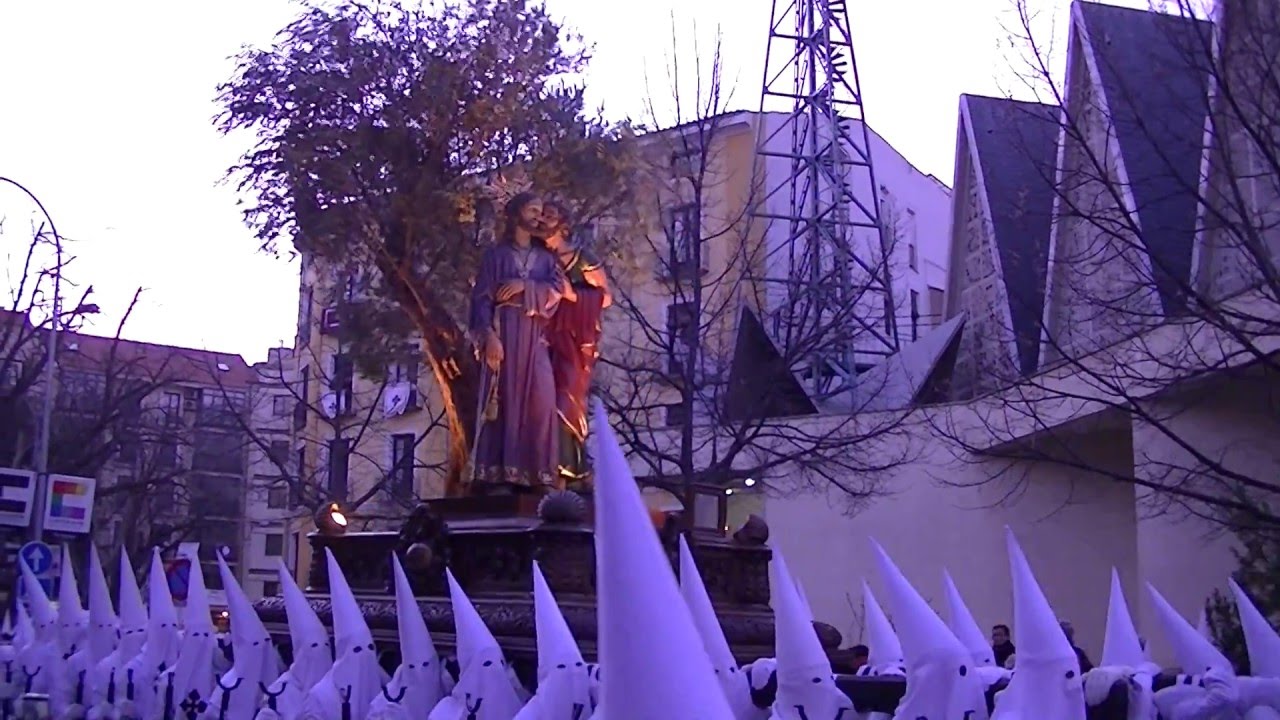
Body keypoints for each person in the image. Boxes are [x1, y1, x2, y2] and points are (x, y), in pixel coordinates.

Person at [468, 192, 566, 492]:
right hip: (505, 333)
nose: (538, 216)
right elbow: (481, 299)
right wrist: (488, 336)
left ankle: (537, 475)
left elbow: (558, 290)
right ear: (516, 214)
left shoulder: (547, 260)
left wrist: (525, 286)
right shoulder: (495, 257)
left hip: (534, 335)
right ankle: (501, 476)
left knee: (542, 400)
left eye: (540, 211)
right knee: (503, 401)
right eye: (532, 209)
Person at [540, 200, 611, 488]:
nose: (543, 221)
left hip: (575, 340)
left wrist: (572, 296)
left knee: (566, 398)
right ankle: (544, 462)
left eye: (550, 216)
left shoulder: (582, 258)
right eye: (541, 216)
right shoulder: (537, 258)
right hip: (544, 337)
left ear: (563, 225)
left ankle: (570, 466)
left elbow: (606, 297)